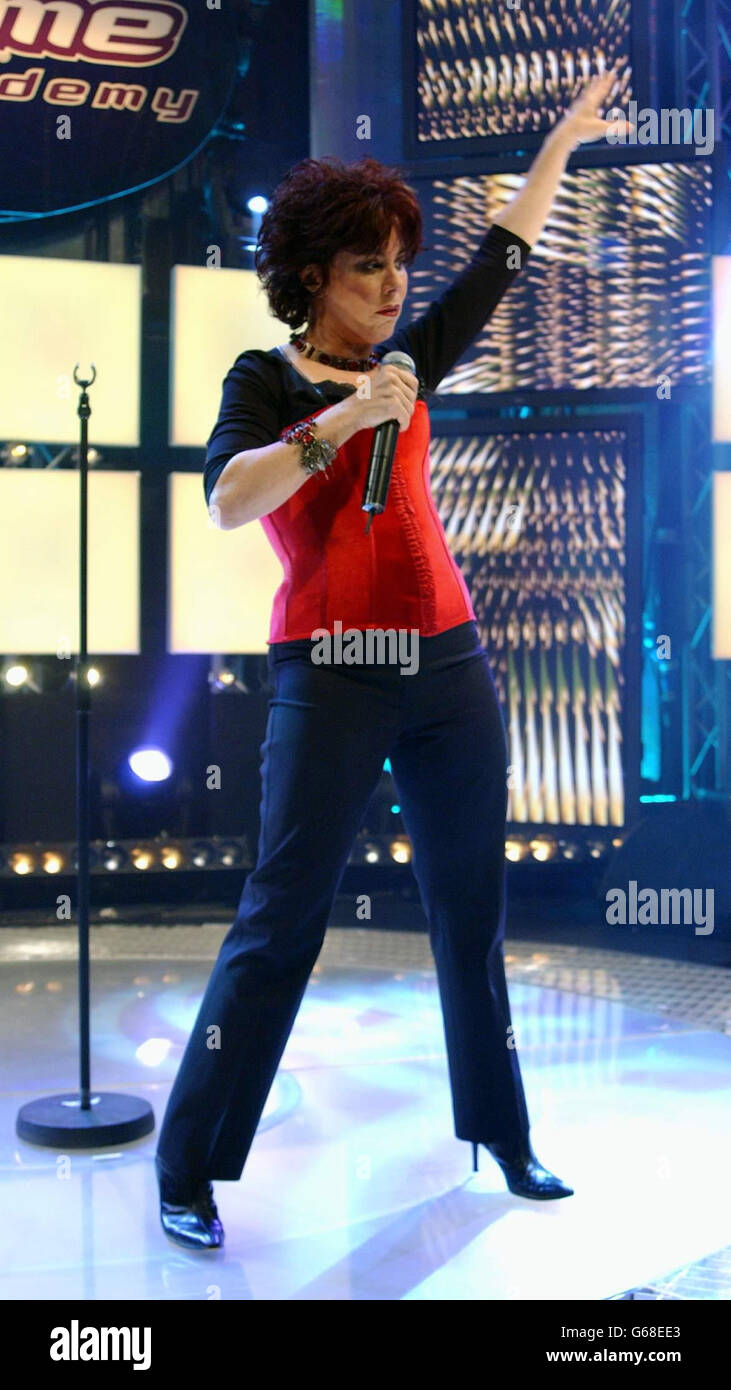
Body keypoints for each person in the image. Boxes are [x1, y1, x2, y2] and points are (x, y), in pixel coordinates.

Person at [155, 74, 623, 1249]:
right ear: (312, 274)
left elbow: (500, 258)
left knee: (471, 910)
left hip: (450, 668)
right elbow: (224, 500)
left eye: (399, 263)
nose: (394, 284)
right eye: (369, 266)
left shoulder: (412, 355)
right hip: (330, 673)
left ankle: (501, 1130)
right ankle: (190, 1166)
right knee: (281, 921)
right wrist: (343, 417)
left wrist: (558, 144)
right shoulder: (268, 382)